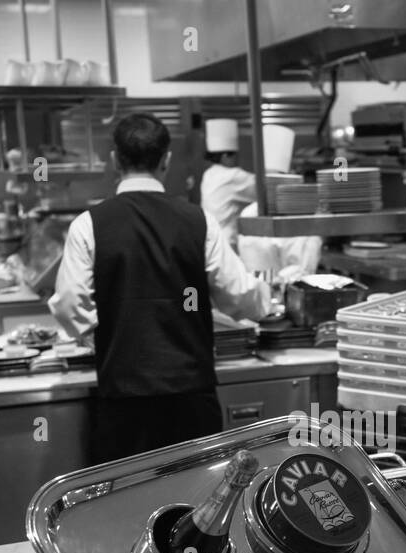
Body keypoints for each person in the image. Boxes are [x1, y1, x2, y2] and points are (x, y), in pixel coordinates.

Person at [49, 112, 269, 463]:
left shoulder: (88, 224)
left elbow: (68, 305)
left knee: (130, 508)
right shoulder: (199, 222)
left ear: (114, 160)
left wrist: (110, 337)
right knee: (200, 509)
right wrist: (266, 300)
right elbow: (240, 296)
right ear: (166, 160)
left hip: (123, 400)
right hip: (191, 400)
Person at [200, 118, 257, 250]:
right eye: (235, 156)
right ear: (226, 156)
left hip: (208, 241)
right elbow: (263, 189)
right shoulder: (232, 176)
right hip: (225, 243)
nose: (237, 160)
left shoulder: (208, 174)